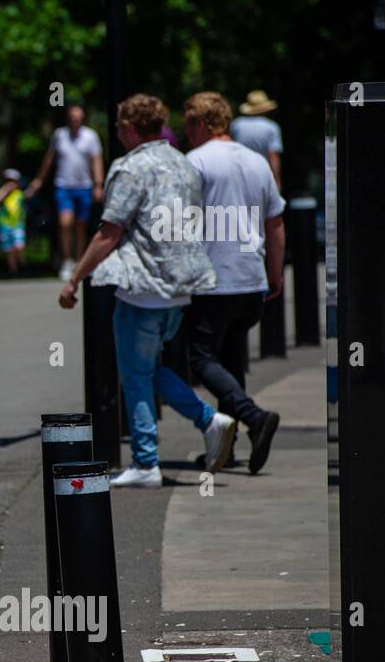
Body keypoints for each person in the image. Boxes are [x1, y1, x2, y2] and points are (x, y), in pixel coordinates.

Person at [57, 94, 236, 488]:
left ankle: (146, 462)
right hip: (180, 287)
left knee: (135, 376)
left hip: (144, 286)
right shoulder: (183, 163)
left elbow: (110, 232)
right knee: (149, 369)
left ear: (131, 128)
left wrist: (75, 278)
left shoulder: (131, 167)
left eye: (120, 125)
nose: (118, 132)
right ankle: (209, 420)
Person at [183, 91, 286, 475]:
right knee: (230, 359)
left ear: (200, 122)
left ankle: (254, 417)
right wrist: (274, 273)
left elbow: (181, 222)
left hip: (214, 279)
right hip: (250, 280)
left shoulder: (195, 162)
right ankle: (228, 446)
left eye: (188, 122)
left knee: (201, 359)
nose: (185, 131)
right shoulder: (257, 162)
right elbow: (275, 222)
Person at [26, 103, 105, 281]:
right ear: (68, 119)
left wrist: (98, 184)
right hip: (64, 185)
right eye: (72, 117)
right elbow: (49, 159)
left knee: (80, 226)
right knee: (65, 222)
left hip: (84, 186)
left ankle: (79, 260)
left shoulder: (90, 136)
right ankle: (67, 259)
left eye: (78, 117)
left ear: (82, 118)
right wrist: (39, 180)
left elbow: (96, 161)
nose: (75, 120)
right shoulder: (59, 135)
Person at [229, 90, 283, 190]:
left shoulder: (236, 125)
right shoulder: (272, 127)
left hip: (239, 174)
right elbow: (273, 156)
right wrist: (277, 181)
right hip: (262, 174)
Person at [0, 168, 27, 275]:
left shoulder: (19, 194)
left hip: (18, 224)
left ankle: (23, 266)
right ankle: (13, 271)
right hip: (5, 224)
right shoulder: (3, 194)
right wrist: (5, 189)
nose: (10, 184)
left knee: (19, 246)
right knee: (8, 249)